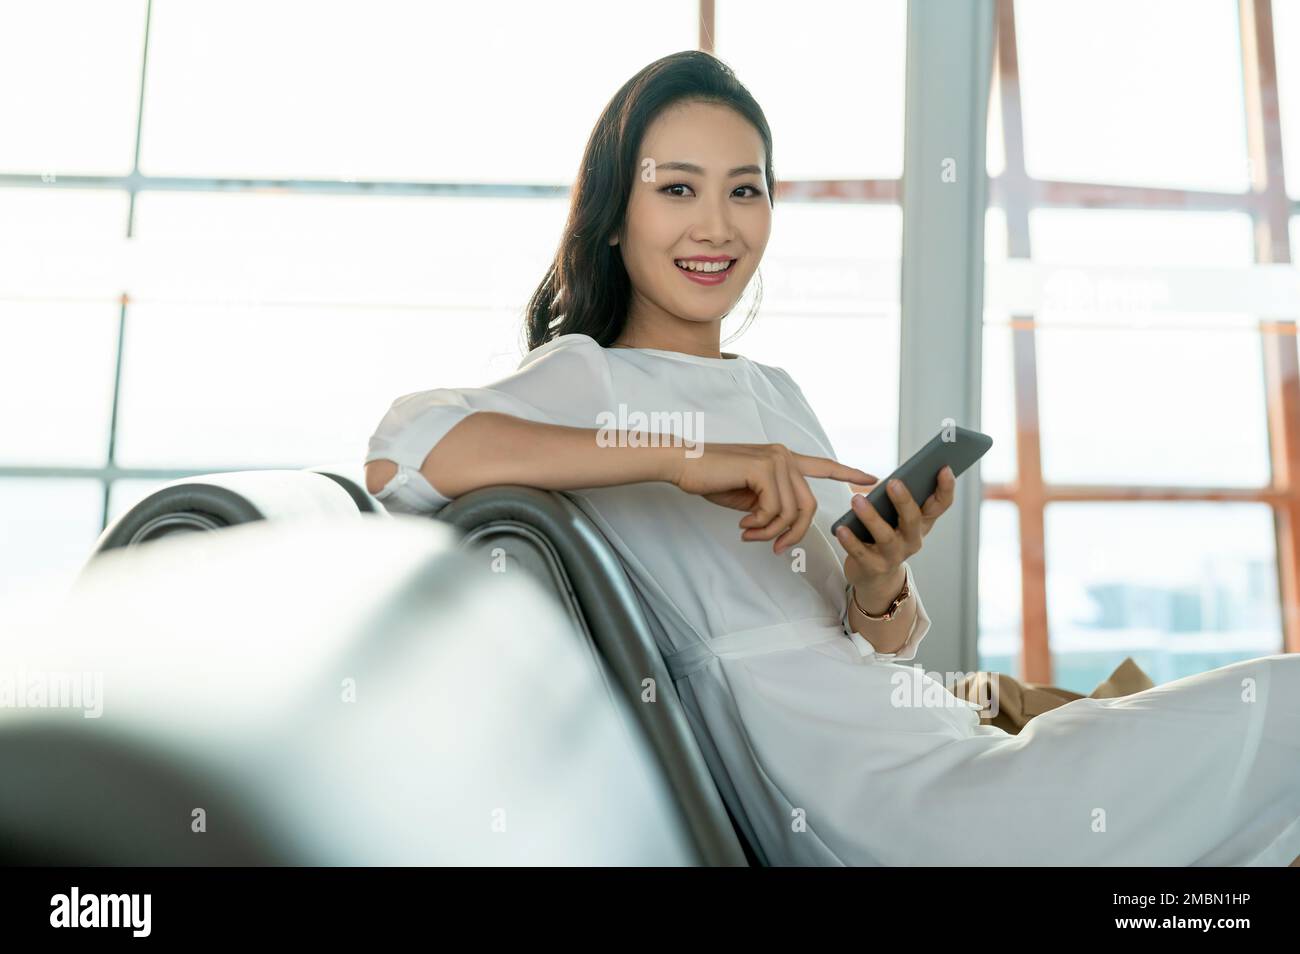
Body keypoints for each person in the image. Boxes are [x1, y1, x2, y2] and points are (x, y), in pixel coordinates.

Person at [363, 51, 1300, 866]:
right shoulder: (593, 378)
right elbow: (403, 453)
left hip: (919, 744)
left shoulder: (773, 391)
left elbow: (867, 646)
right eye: (677, 188)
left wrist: (878, 577)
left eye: (746, 188)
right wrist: (681, 457)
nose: (717, 226)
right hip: (881, 808)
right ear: (614, 214)